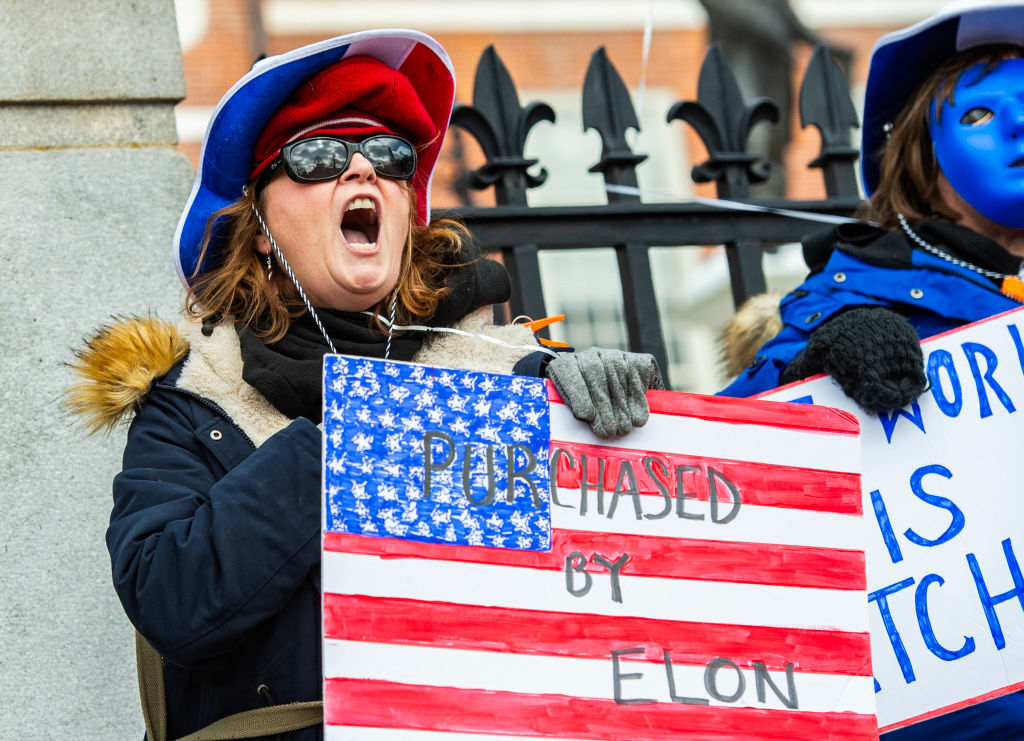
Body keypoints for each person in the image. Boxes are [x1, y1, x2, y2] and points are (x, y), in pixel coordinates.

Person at [65, 30, 661, 740]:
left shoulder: (511, 375)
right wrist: (354, 436)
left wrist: (588, 421)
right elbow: (172, 599)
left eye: (390, 157)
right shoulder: (191, 404)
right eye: (317, 158)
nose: (363, 173)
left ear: (409, 209)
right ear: (259, 227)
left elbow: (626, 593)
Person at [719, 1, 1024, 738]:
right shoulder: (841, 302)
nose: (1020, 127)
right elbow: (728, 462)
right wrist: (812, 361)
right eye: (981, 116)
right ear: (922, 156)